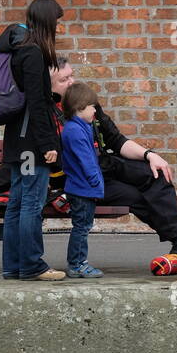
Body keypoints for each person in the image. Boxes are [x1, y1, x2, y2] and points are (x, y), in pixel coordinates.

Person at [0, 60, 177, 271]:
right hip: (76, 185)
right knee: (142, 195)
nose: (71, 82)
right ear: (48, 86)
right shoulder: (40, 116)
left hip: (101, 174)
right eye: (64, 79)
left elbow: (116, 139)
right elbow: (16, 158)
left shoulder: (85, 103)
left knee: (156, 176)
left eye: (72, 76)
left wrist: (149, 154)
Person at [0, 0, 66, 282]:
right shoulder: (33, 53)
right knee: (30, 203)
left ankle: (13, 266)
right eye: (57, 22)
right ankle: (31, 266)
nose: (59, 29)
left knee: (16, 203)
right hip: (31, 141)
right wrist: (48, 145)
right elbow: (36, 104)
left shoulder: (17, 48)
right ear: (47, 21)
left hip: (16, 136)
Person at [60, 82, 105, 279]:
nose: (95, 109)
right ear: (79, 108)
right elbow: (86, 159)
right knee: (82, 227)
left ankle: (78, 262)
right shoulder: (75, 131)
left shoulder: (81, 127)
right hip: (82, 188)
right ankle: (77, 264)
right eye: (91, 106)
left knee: (83, 225)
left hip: (83, 187)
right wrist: (95, 181)